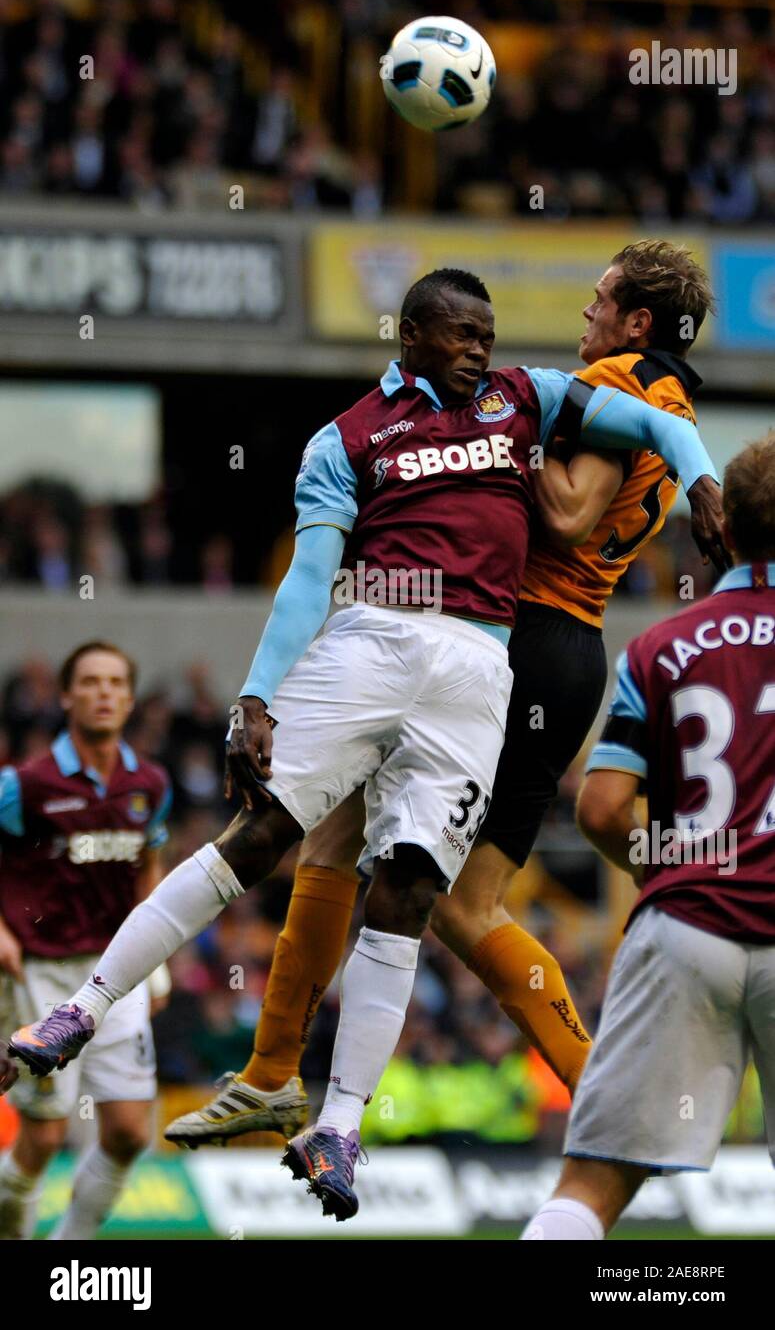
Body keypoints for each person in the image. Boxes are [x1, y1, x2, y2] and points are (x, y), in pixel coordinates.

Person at [9, 267, 723, 1223]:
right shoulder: (348, 436)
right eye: (464, 334)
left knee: (425, 895)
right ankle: (117, 1022)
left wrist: (698, 474)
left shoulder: (542, 394)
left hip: (498, 654)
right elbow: (310, 575)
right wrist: (256, 691)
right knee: (279, 842)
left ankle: (339, 1114)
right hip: (395, 636)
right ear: (411, 335)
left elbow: (620, 467)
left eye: (489, 333)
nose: (483, 348)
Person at [165, 240, 719, 1147]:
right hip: (571, 650)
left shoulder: (620, 378)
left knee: (335, 841)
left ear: (636, 323)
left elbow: (573, 514)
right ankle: (604, 1092)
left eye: (598, 299)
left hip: (501, 635)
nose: (583, 316)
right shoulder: (678, 403)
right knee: (463, 905)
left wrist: (491, 444)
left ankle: (271, 1074)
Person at [522, 431, 775, 1240]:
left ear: (723, 530)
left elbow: (598, 810)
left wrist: (669, 865)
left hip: (682, 927)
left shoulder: (659, 646)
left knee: (589, 1185)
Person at [0, 642, 171, 1240]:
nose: (104, 693)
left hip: (115, 973)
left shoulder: (150, 782)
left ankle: (71, 1248)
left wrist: (158, 960)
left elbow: (148, 864)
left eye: (115, 683)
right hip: (40, 976)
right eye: (90, 683)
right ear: (67, 695)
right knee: (44, 1137)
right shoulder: (24, 785)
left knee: (128, 1132)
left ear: (129, 697)